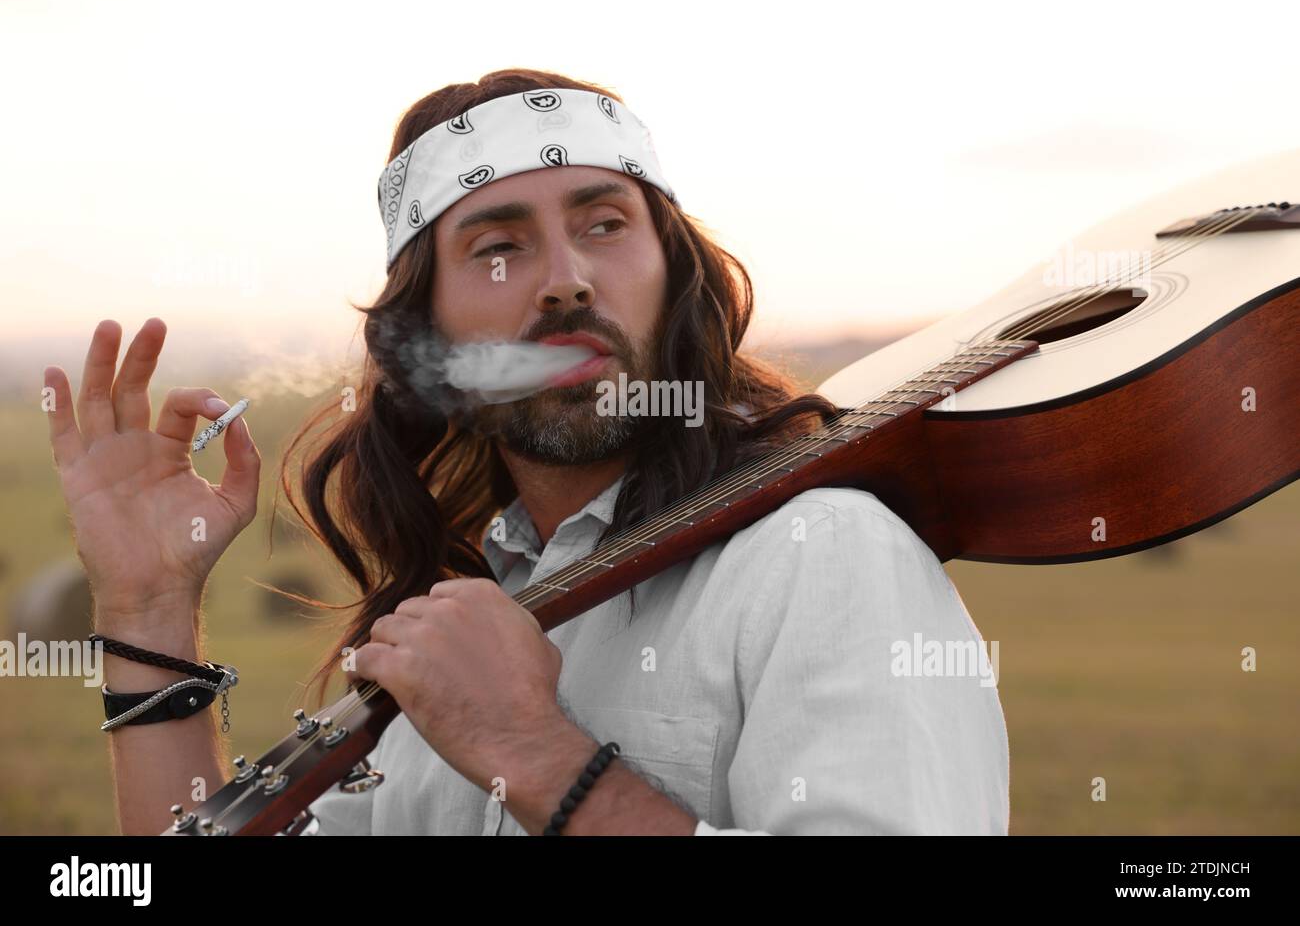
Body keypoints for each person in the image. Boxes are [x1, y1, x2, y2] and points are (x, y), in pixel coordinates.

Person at [45, 69, 1008, 836]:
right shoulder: (453, 637)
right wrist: (149, 610)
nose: (565, 281)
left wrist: (532, 751)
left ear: (675, 273)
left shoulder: (823, 554)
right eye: (498, 247)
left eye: (604, 224)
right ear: (429, 329)